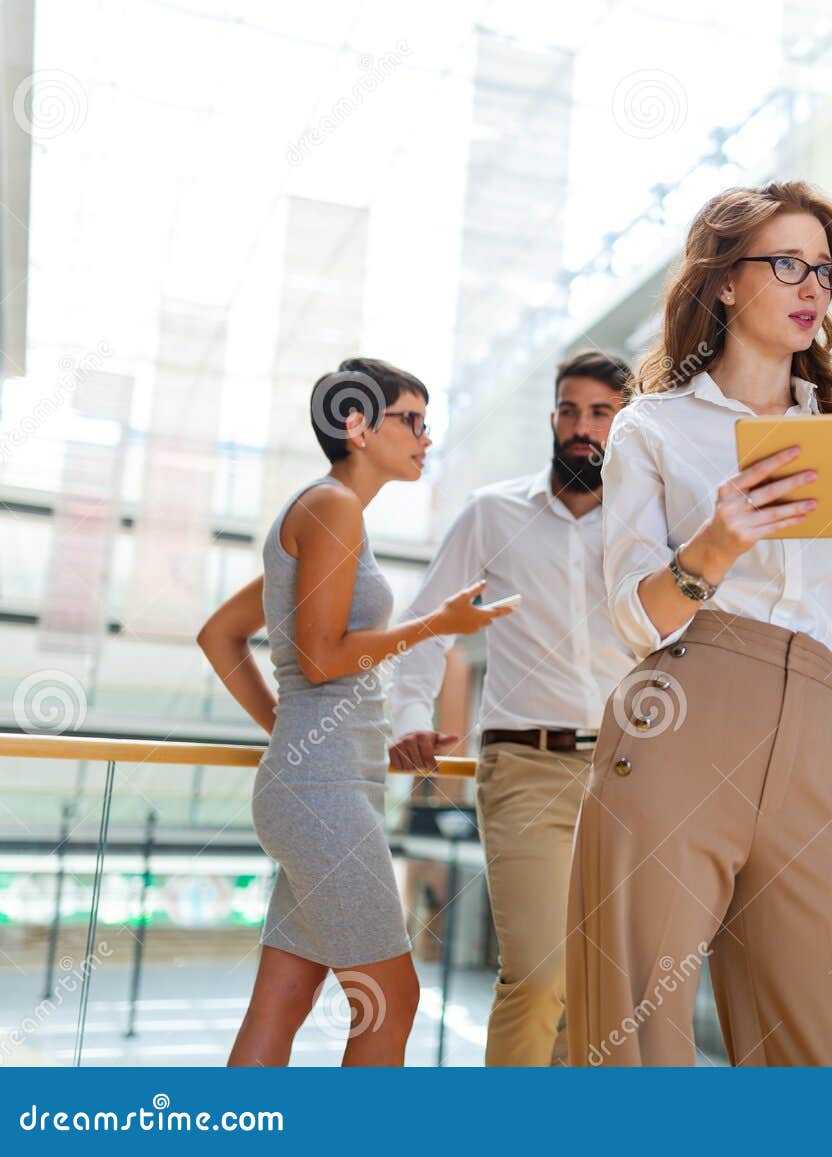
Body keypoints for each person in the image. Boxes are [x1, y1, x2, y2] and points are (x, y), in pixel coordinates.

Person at [566, 180, 832, 1066]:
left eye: (825, 271)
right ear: (722, 281)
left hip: (817, 738)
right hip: (679, 723)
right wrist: (718, 542)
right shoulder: (653, 428)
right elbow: (633, 620)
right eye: (788, 263)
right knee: (635, 1044)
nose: (812, 287)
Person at [198, 357, 511, 1066]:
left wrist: (299, 734)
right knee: (392, 999)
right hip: (323, 796)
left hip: (323, 784)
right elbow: (321, 659)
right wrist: (436, 625)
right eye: (412, 420)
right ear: (357, 425)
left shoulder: (324, 512)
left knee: (282, 1000)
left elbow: (221, 634)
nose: (426, 437)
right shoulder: (331, 506)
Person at [388, 349, 634, 1066]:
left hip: (633, 772)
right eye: (569, 411)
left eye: (600, 413)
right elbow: (428, 622)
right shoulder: (492, 513)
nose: (581, 427)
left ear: (626, 424)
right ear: (552, 418)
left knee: (607, 988)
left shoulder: (648, 522)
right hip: (527, 767)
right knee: (541, 973)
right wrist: (410, 716)